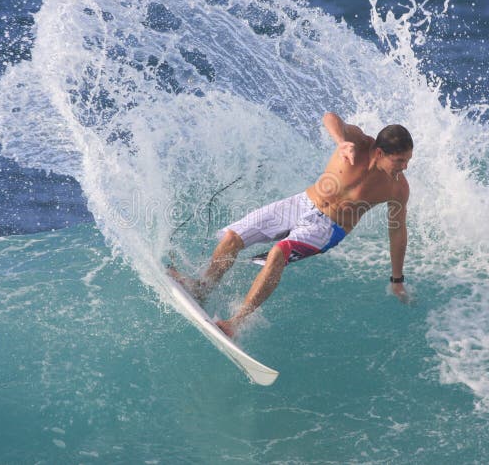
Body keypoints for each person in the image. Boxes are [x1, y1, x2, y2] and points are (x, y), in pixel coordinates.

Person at [169, 112, 413, 337]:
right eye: (400, 160)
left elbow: (397, 231)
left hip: (327, 229)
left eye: (407, 161)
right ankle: (202, 288)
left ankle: (236, 322)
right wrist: (340, 141)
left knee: (279, 253)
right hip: (301, 203)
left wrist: (397, 280)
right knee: (233, 238)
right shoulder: (358, 143)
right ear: (380, 153)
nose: (404, 167)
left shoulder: (397, 188)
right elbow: (329, 117)